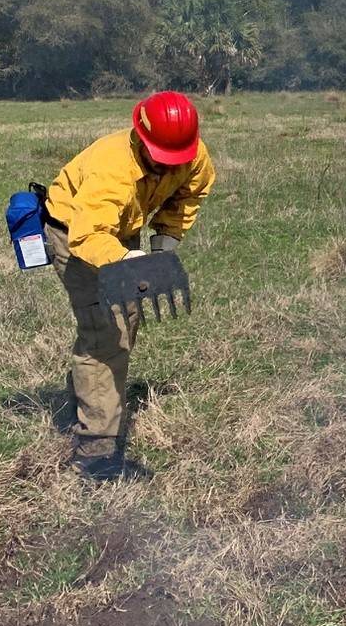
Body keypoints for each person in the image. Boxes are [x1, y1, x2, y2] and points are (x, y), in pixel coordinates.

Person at [42, 91, 216, 480]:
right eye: (161, 157)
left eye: (178, 158)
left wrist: (162, 245)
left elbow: (191, 192)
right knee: (107, 335)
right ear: (141, 136)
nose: (170, 164)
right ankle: (96, 454)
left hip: (122, 231)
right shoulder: (112, 169)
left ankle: (84, 403)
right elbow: (87, 236)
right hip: (76, 233)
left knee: (125, 322)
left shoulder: (190, 152)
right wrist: (125, 260)